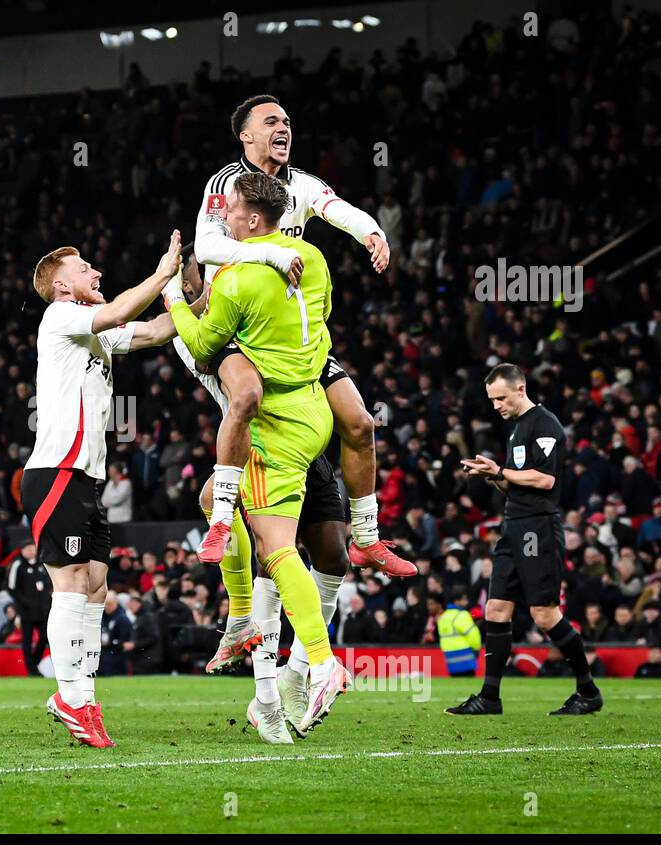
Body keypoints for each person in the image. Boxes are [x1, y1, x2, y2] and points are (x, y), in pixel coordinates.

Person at [190, 94, 413, 579]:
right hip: (238, 330)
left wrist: (371, 233)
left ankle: (370, 539)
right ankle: (223, 517)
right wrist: (268, 257)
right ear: (245, 136)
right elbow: (205, 246)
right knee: (247, 400)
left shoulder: (302, 185)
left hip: (292, 336)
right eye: (270, 121)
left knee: (358, 423)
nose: (283, 127)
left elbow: (340, 209)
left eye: (287, 121)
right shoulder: (225, 185)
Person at [167, 172, 350, 742]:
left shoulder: (239, 281)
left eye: (232, 212)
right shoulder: (314, 257)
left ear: (250, 221)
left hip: (273, 427)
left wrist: (175, 298)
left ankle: (319, 663)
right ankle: (266, 665)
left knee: (277, 551)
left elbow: (200, 348)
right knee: (232, 514)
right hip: (315, 411)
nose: (224, 218)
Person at [23, 231, 181, 747]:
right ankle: (68, 695)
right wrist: (159, 274)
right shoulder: (61, 317)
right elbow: (114, 314)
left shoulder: (93, 333)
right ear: (63, 285)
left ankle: (84, 698)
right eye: (86, 267)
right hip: (56, 473)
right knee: (69, 582)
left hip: (86, 480)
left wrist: (207, 294)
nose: (96, 272)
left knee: (96, 586)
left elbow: (156, 331)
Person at [448, 364, 604, 717]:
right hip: (513, 525)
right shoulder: (516, 429)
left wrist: (501, 471)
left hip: (538, 528)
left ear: (521, 389)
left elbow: (546, 481)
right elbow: (515, 481)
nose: (496, 406)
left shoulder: (544, 424)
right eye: (492, 400)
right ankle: (490, 698)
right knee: (496, 609)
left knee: (545, 614)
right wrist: (491, 475)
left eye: (501, 398)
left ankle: (588, 690)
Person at [8, 542, 51, 675]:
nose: (31, 551)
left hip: (43, 610)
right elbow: (12, 587)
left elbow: (49, 582)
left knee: (45, 636)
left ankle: (34, 661)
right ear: (22, 550)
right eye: (28, 549)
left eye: (33, 549)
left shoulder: (42, 563)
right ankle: (30, 669)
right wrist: (24, 603)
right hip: (26, 611)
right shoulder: (18, 565)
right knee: (27, 639)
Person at [438, 593, 482, 677]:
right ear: (456, 601)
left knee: (455, 686)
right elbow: (474, 635)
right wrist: (476, 649)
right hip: (466, 658)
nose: (466, 602)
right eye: (464, 599)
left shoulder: (443, 617)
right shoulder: (462, 615)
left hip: (450, 659)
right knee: (470, 686)